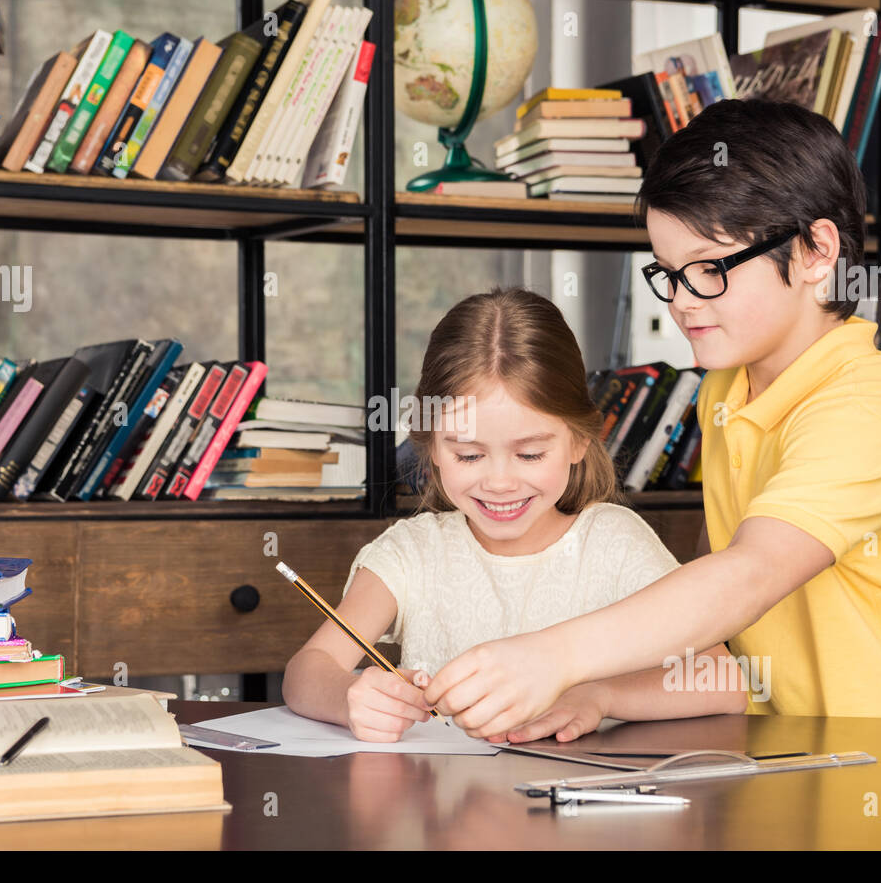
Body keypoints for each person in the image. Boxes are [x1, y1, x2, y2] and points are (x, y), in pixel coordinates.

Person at [424, 98, 881, 738]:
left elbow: (747, 576)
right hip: (803, 756)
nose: (680, 302)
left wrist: (554, 655)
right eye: (668, 273)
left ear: (818, 251)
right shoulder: (727, 390)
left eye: (709, 269)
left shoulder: (859, 409)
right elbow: (724, 618)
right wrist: (603, 695)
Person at [282, 286, 745, 742]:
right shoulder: (413, 552)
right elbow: (308, 670)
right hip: (442, 811)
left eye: (529, 455)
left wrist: (599, 696)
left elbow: (722, 681)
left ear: (580, 440)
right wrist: (352, 698)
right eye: (469, 456)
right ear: (433, 447)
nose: (500, 482)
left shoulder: (613, 543)